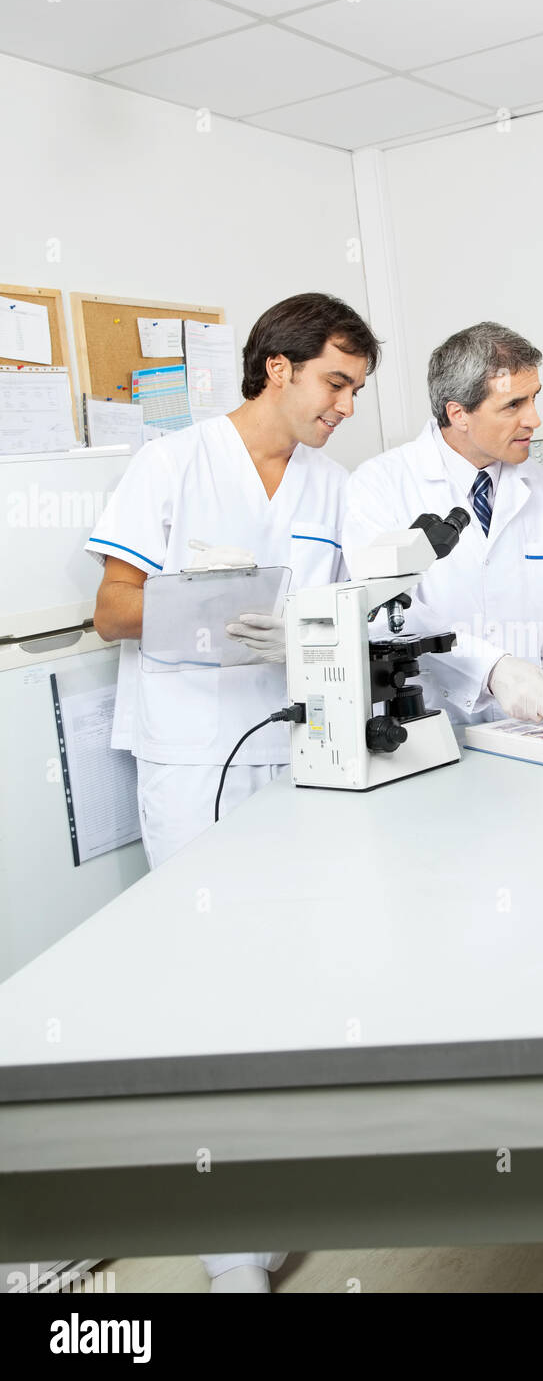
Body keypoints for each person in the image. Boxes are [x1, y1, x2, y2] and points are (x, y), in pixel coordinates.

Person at [87, 292, 381, 1291]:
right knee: (209, 991)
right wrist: (214, 619)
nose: (344, 404)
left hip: (294, 748)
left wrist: (318, 630)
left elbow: (349, 605)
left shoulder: (331, 485)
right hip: (190, 756)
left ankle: (284, 1196)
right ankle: (228, 1252)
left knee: (292, 976)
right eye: (335, 382)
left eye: (355, 389)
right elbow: (110, 608)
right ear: (277, 367)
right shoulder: (172, 464)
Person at [342, 322, 543, 725]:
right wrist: (493, 669)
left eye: (534, 399)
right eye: (513, 405)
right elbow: (387, 614)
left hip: (536, 728)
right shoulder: (379, 486)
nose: (534, 418)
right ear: (458, 413)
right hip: (433, 727)